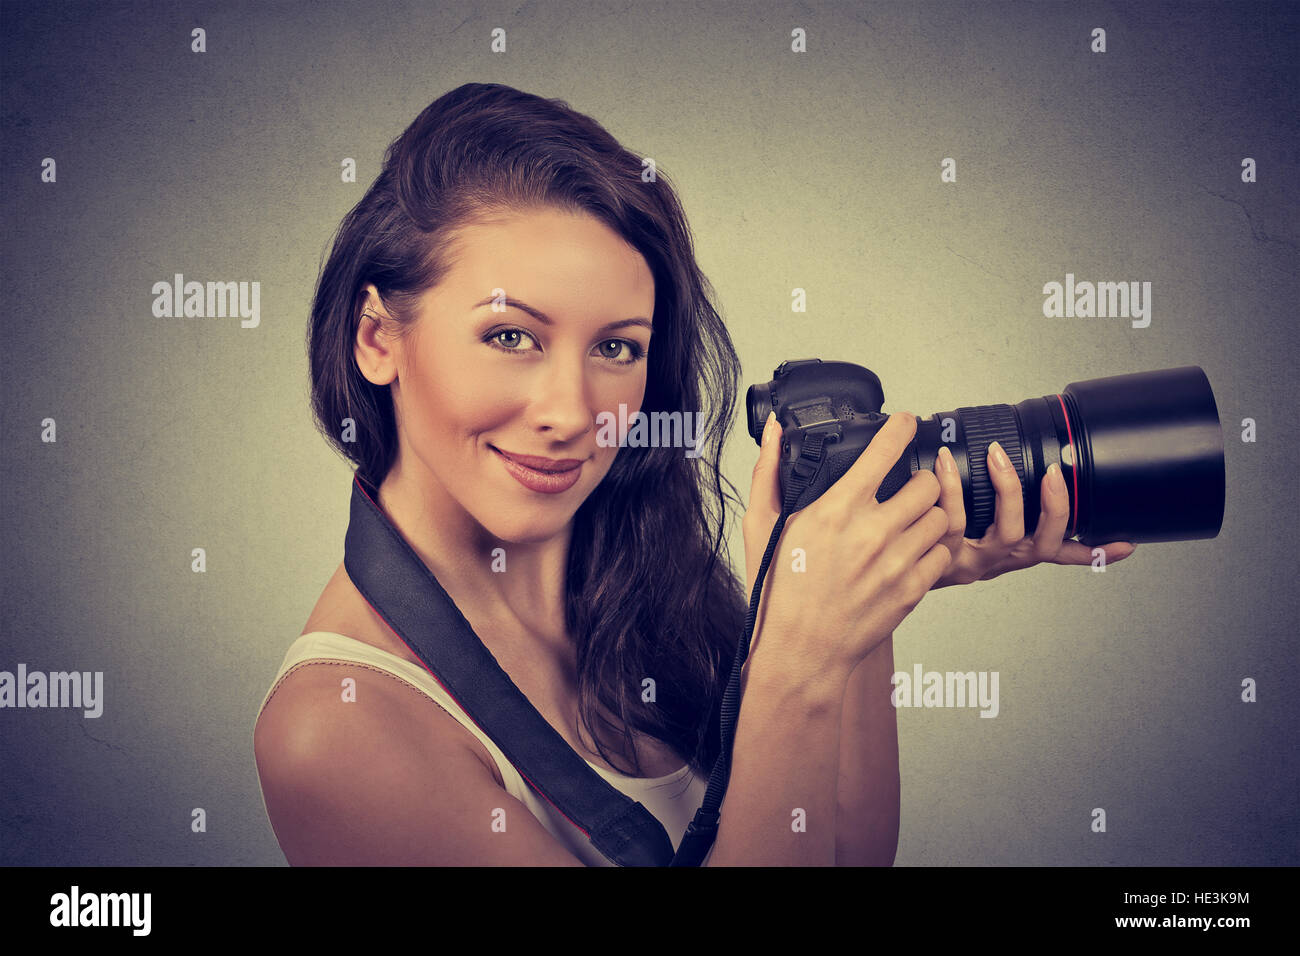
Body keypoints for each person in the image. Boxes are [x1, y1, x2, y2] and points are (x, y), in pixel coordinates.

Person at [252, 83, 1135, 867]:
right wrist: (797, 655)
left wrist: (856, 609)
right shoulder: (336, 725)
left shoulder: (636, 580)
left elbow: (843, 855)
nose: (572, 411)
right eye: (511, 337)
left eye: (616, 348)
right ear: (378, 339)